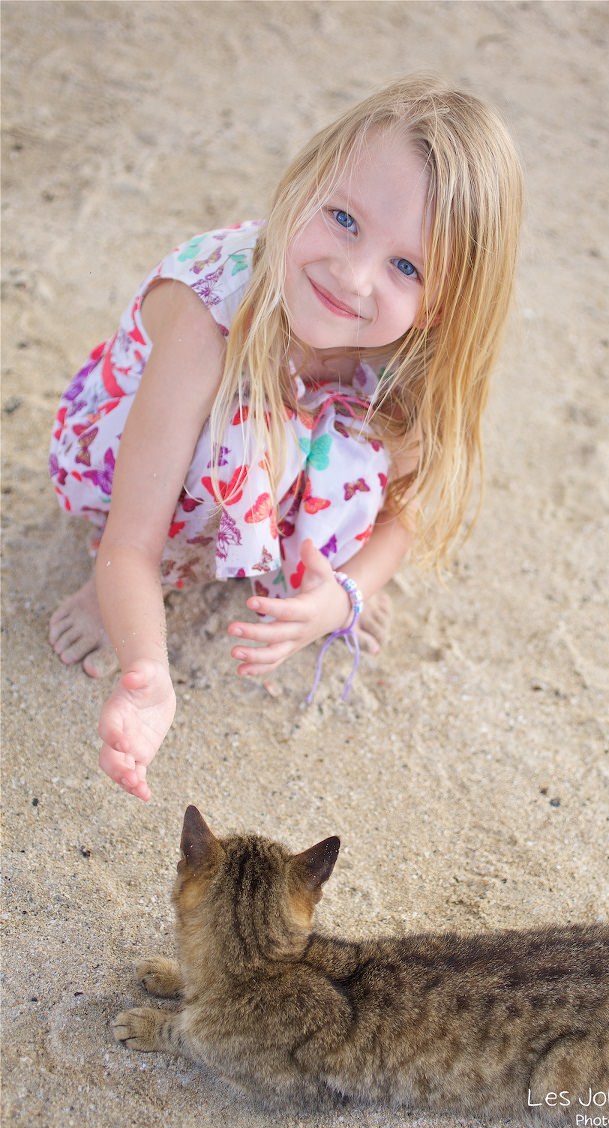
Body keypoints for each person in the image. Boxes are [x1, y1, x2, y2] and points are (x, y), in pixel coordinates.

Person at [48, 74, 524, 802]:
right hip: (143, 462)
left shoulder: (412, 356)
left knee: (368, 462)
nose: (353, 273)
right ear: (306, 184)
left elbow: (407, 510)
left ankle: (318, 574)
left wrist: (349, 596)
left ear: (442, 303)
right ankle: (115, 597)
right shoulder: (210, 319)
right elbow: (132, 538)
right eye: (342, 217)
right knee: (220, 447)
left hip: (284, 446)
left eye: (407, 266)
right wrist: (147, 671)